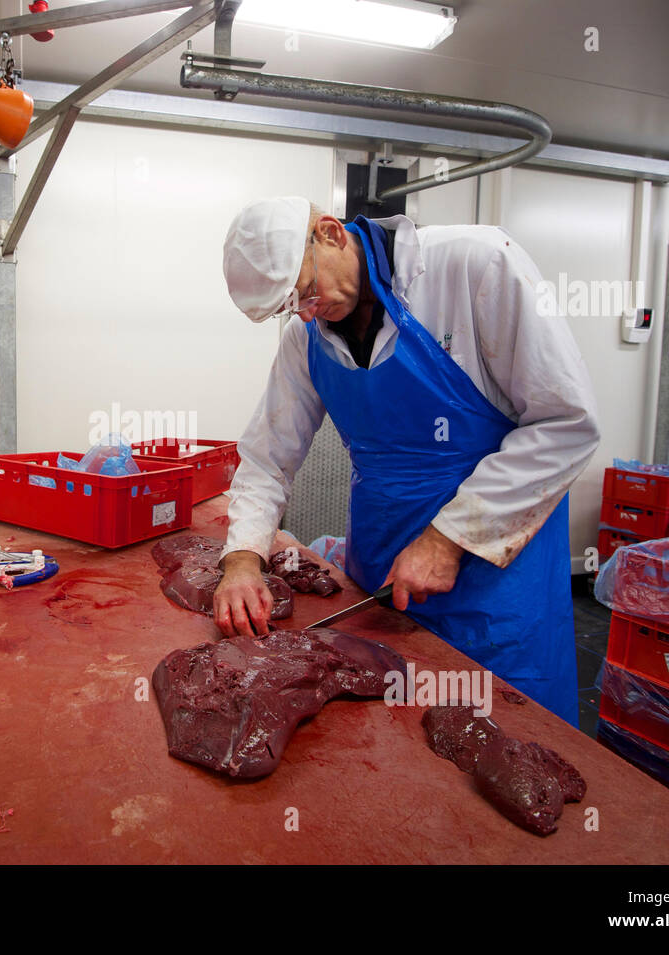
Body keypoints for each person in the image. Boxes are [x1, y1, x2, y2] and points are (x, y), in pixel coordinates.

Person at [212, 196, 600, 725]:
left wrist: (447, 540)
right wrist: (241, 560)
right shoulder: (303, 338)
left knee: (504, 738)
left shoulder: (475, 265)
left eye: (306, 291)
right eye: (289, 307)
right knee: (383, 743)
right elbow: (266, 459)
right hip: (382, 566)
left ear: (329, 234)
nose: (304, 312)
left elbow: (566, 422)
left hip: (495, 576)